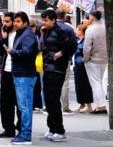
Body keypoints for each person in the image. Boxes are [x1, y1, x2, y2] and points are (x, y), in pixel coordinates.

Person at [40, 8, 77, 142]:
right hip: (48, 66)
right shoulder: (46, 30)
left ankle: (59, 130)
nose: (44, 23)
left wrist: (61, 54)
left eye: (46, 20)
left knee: (54, 98)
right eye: (43, 20)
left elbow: (72, 45)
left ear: (53, 19)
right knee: (49, 99)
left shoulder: (62, 30)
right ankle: (52, 128)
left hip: (57, 68)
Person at [9, 11, 40, 145]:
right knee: (23, 106)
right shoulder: (21, 34)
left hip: (25, 75)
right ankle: (23, 133)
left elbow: (27, 53)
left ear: (25, 22)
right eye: (15, 21)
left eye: (18, 21)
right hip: (20, 74)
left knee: (25, 106)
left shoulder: (28, 35)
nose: (15, 24)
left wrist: (12, 52)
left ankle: (26, 135)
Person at [0, 11, 22, 138]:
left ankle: (21, 127)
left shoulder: (20, 34)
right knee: (6, 103)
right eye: (3, 21)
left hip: (19, 73)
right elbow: (0, 51)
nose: (5, 24)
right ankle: (8, 129)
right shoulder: (5, 34)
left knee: (19, 103)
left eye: (7, 21)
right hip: (6, 72)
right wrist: (4, 38)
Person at [83, 10, 108, 113]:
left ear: (93, 17)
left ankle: (101, 106)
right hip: (104, 59)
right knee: (100, 81)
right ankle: (102, 105)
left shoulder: (90, 30)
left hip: (93, 60)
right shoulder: (106, 28)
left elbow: (87, 47)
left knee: (96, 83)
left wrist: (85, 59)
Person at [56, 9, 75, 114]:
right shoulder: (68, 28)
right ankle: (65, 106)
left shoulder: (48, 28)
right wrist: (68, 55)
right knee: (64, 82)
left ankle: (50, 104)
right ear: (63, 17)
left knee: (51, 81)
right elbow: (73, 45)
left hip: (51, 59)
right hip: (64, 59)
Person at [74, 18, 94, 113]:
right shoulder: (77, 40)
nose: (76, 31)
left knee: (85, 85)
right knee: (78, 85)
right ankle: (81, 104)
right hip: (77, 66)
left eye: (77, 29)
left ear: (81, 31)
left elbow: (87, 52)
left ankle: (88, 105)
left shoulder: (85, 41)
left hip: (83, 66)